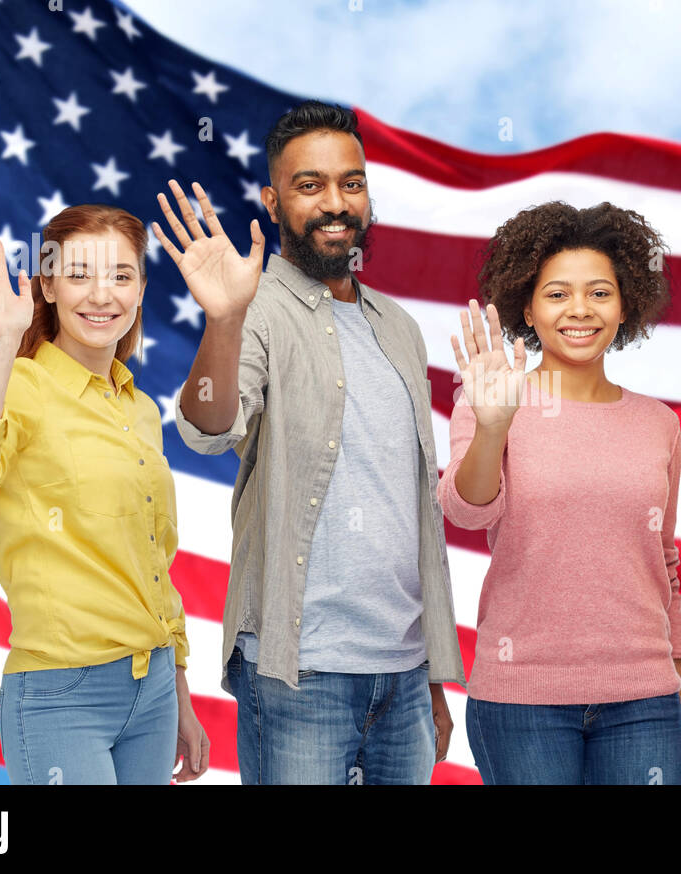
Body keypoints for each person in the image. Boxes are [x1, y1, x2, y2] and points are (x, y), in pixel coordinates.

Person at [163, 100, 465, 784]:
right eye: (310, 185)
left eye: (350, 183)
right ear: (273, 200)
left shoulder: (400, 329)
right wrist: (224, 319)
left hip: (404, 679)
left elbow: (414, 509)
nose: (335, 202)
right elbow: (208, 428)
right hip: (298, 674)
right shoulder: (257, 309)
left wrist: (434, 676)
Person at [438, 200, 681, 784]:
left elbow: (665, 569)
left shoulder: (658, 423)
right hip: (522, 701)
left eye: (599, 292)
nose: (579, 310)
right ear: (527, 310)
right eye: (557, 294)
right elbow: (462, 510)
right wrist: (492, 426)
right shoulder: (491, 401)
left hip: (643, 702)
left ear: (625, 305)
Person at [0, 206, 209, 785]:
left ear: (140, 289)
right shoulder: (22, 385)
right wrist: (0, 345)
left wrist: (180, 694)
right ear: (48, 285)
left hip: (154, 688)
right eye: (80, 273)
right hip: (61, 693)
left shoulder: (140, 409)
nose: (101, 294)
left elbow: (155, 563)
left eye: (121, 275)